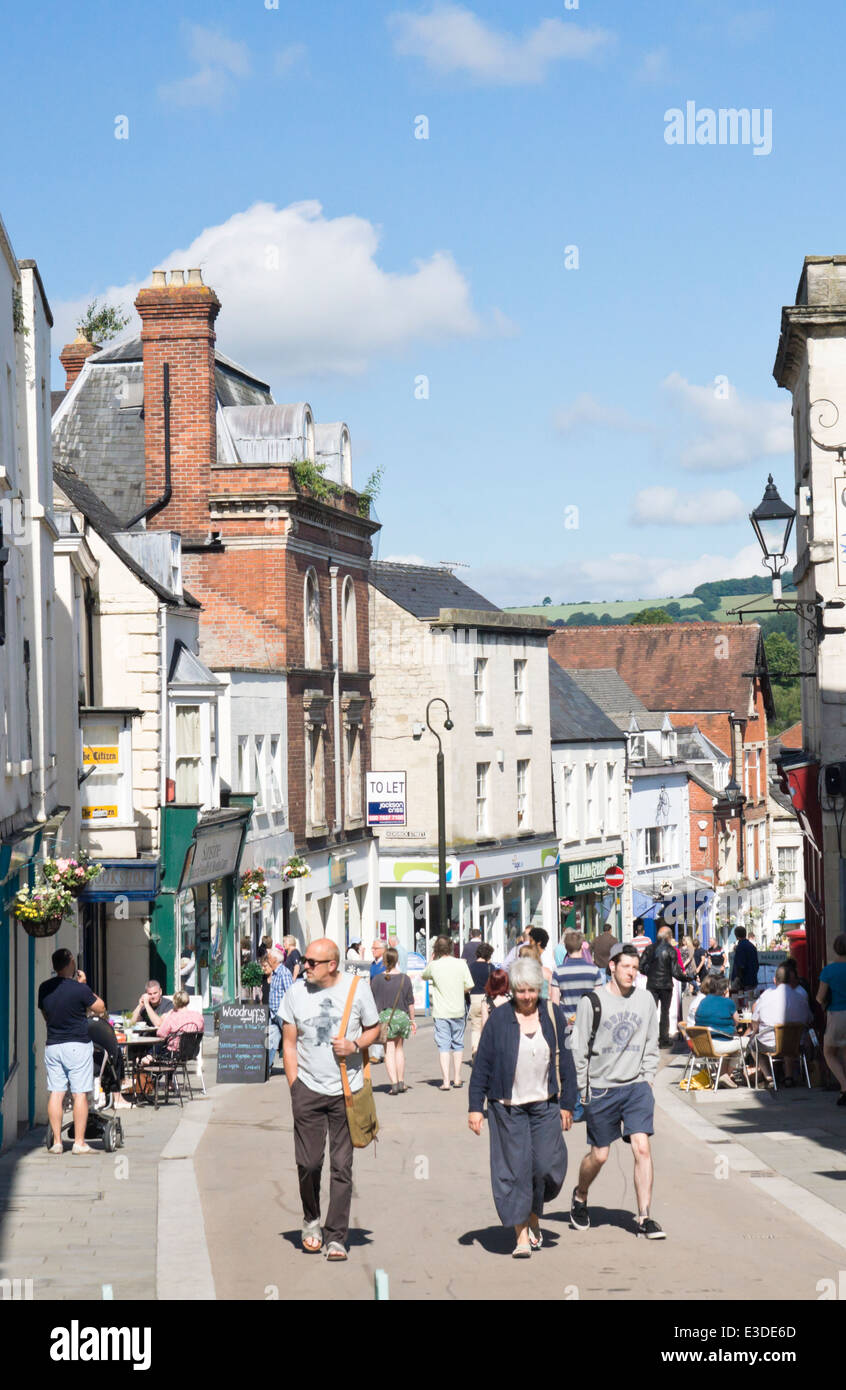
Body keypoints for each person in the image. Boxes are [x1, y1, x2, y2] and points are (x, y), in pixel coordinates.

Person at [280, 937, 381, 1261]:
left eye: (311, 962)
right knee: (308, 1163)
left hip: (346, 1090)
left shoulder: (356, 988)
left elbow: (374, 1029)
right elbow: (289, 1043)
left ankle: (336, 1236)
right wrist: (295, 1086)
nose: (304, 966)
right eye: (305, 960)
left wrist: (354, 1045)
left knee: (342, 1166)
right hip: (307, 1089)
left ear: (332, 965)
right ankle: (311, 1220)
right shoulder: (296, 993)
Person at [468, 957, 576, 1256]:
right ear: (513, 990)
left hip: (545, 1105)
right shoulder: (500, 1019)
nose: (526, 996)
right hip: (507, 1107)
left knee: (545, 1167)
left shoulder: (553, 1015)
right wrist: (475, 1106)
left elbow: (567, 1062)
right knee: (515, 1169)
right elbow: (483, 1066)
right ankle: (521, 1236)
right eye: (521, 991)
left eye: (531, 990)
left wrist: (568, 1103)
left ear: (539, 989)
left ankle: (531, 1213)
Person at [570, 942, 664, 1239]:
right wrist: (583, 1090)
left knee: (642, 1147)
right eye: (626, 967)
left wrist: (648, 1077)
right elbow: (579, 1048)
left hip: (636, 1086)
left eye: (635, 968)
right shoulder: (592, 1001)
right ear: (612, 966)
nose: (631, 973)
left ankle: (645, 1216)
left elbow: (651, 1041)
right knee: (599, 1155)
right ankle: (581, 1195)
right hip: (601, 1088)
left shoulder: (646, 999)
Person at [38, 948, 107, 1155]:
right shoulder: (78, 989)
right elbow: (100, 1008)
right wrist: (85, 986)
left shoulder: (44, 988)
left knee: (56, 1092)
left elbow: (46, 1014)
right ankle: (79, 1142)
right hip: (77, 1044)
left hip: (53, 1045)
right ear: (69, 964)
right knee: (79, 1094)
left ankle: (57, 1142)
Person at [421, 935, 474, 1090]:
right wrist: (459, 990)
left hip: (441, 1011)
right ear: (451, 948)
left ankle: (445, 1081)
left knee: (443, 1046)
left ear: (436, 949)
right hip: (458, 1009)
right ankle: (457, 1078)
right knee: (458, 1044)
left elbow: (424, 975)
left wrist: (431, 959)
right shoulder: (460, 964)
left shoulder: (435, 965)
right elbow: (470, 985)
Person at [748, 964, 812, 1087]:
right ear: (791, 980)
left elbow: (755, 1019)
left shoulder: (766, 995)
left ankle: (769, 1076)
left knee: (752, 1044)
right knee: (789, 1039)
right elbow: (809, 1019)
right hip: (797, 1044)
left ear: (774, 980)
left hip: (770, 1044)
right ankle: (789, 1076)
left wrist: (756, 1031)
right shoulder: (801, 998)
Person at [370, 948, 415, 1094]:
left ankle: (394, 1084)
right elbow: (410, 1003)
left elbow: (371, 1002)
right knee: (399, 1049)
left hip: (385, 1019)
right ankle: (401, 1081)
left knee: (388, 1051)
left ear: (384, 961)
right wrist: (412, 1020)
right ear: (397, 961)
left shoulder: (376, 980)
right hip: (401, 1018)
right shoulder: (404, 978)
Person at [639, 924, 691, 1048]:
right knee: (664, 1012)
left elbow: (641, 966)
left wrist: (650, 972)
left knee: (651, 1011)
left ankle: (649, 1039)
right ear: (669, 936)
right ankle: (663, 1039)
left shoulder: (649, 948)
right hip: (666, 985)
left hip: (652, 984)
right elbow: (675, 972)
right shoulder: (671, 950)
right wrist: (687, 978)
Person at [692, 977, 743, 1085]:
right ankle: (726, 1075)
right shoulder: (728, 1003)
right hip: (719, 1045)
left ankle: (724, 1075)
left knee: (732, 1046)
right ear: (725, 991)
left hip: (702, 1045)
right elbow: (737, 1021)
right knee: (746, 1042)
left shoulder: (703, 1001)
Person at [550, 930, 605, 1029]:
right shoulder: (594, 970)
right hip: (588, 1021)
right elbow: (599, 999)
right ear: (581, 946)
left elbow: (555, 1002)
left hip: (567, 1022)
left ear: (566, 947)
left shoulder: (558, 972)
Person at [817, 934, 846, 1105]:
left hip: (837, 1014)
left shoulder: (828, 971)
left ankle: (844, 1086)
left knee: (829, 1052)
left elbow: (820, 997)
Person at [265, 948, 294, 1074]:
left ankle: (297, 1067)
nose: (268, 959)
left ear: (275, 960)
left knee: (290, 1041)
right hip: (273, 1013)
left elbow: (290, 993)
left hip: (282, 1014)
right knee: (271, 1041)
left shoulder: (284, 973)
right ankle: (267, 1068)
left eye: (269, 957)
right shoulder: (275, 973)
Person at [468, 943, 495, 1058]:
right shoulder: (491, 967)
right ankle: (486, 1056)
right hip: (487, 999)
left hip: (474, 998)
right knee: (488, 1028)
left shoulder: (470, 967)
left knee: (475, 1028)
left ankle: (475, 1051)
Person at [479, 967, 511, 1040]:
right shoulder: (510, 999)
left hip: (493, 1037)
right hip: (509, 1036)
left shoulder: (486, 1001)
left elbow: (484, 1025)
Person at [730, 925, 759, 994]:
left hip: (744, 982)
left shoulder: (741, 947)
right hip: (752, 979)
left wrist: (738, 979)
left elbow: (741, 965)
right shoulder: (752, 946)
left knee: (742, 1001)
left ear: (736, 935)